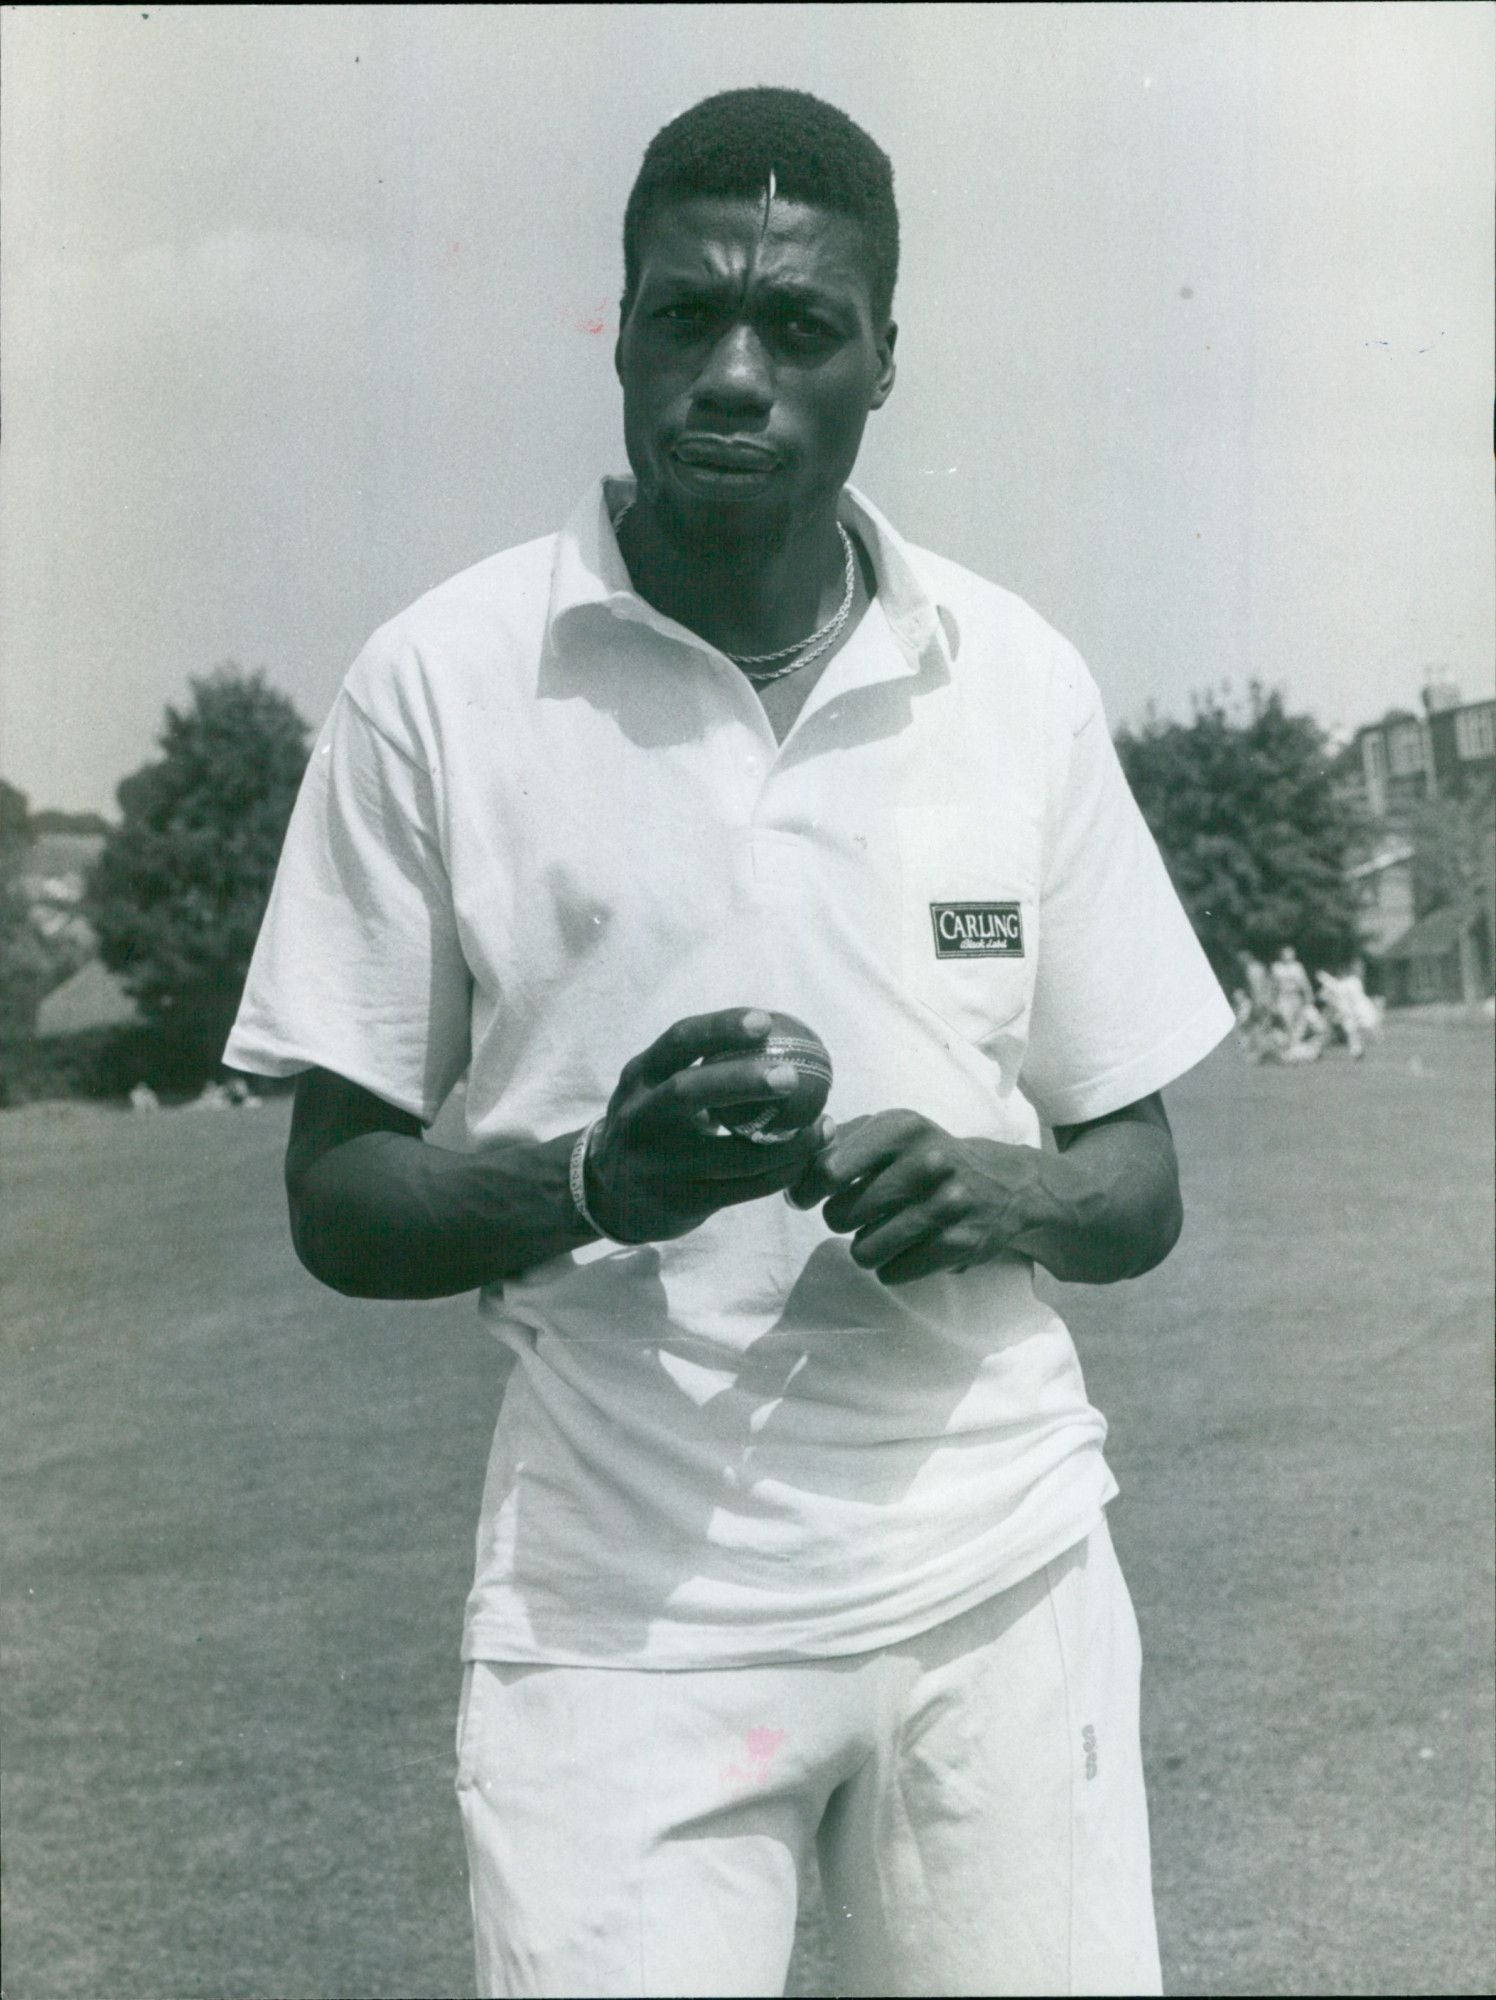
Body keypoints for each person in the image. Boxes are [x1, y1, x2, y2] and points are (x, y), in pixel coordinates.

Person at [225, 88, 1234, 1999]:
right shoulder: (444, 681)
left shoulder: (1008, 678)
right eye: (685, 320)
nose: (737, 377)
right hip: (620, 1625)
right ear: (616, 333)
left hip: (994, 1588)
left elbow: (1138, 1177)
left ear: (882, 360)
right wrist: (601, 1178)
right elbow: (338, 1197)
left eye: (800, 329)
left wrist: (996, 1182)